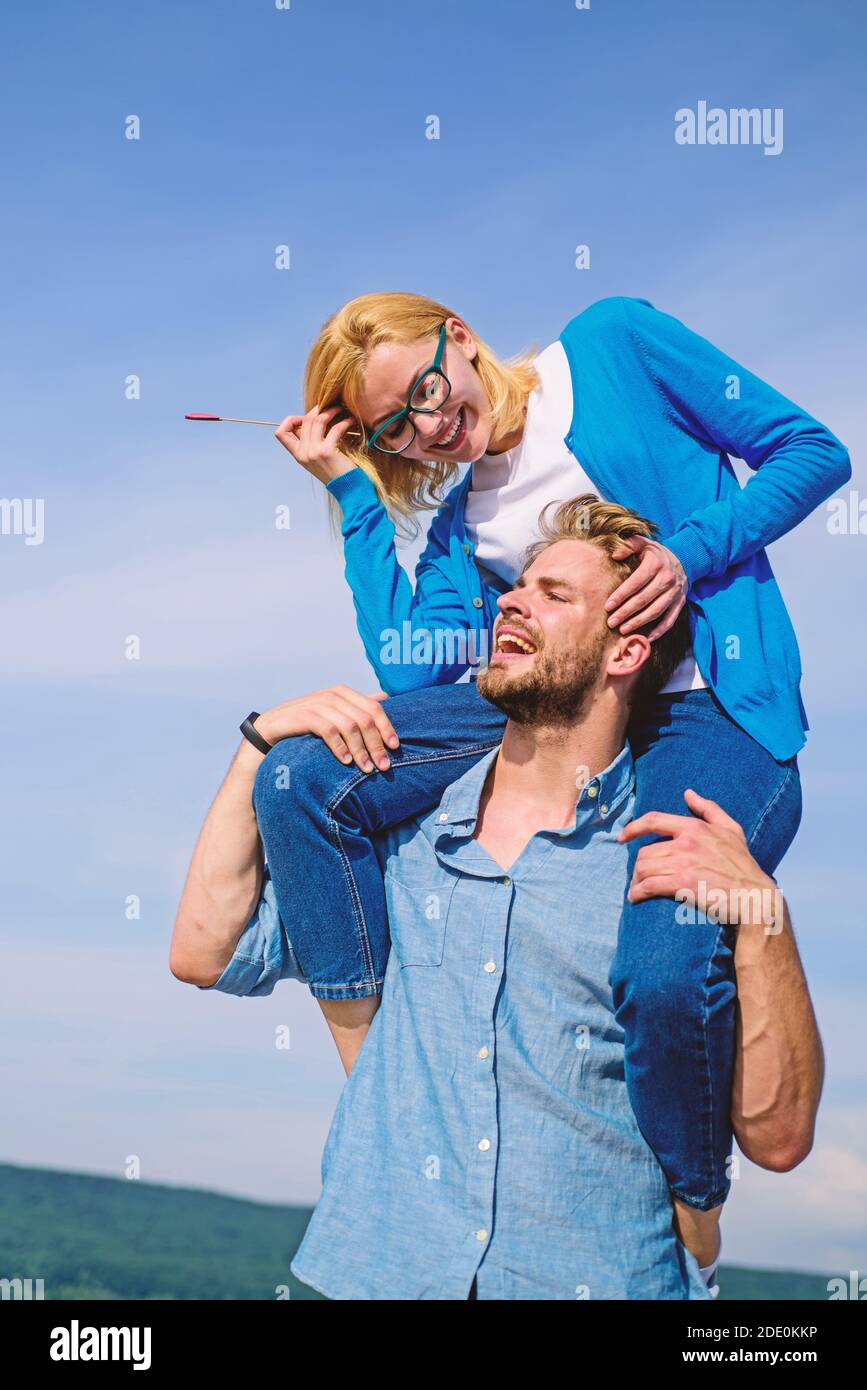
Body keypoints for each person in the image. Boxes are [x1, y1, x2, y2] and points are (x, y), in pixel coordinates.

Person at [246, 293, 847, 1248]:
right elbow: (417, 667)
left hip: (704, 709)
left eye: (428, 391)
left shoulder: (612, 347)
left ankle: (693, 1199)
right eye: (396, 429)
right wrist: (355, 490)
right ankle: (381, 1076)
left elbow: (813, 453)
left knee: (660, 960)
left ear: (458, 333)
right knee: (303, 778)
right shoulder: (449, 511)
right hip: (558, 718)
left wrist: (686, 555)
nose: (431, 429)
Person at [170, 497, 824, 1300]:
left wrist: (765, 922)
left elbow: (779, 1136)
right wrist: (256, 752)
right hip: (376, 1276)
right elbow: (205, 952)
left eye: (554, 595)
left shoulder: (679, 867)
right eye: (519, 587)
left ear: (626, 651)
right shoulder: (396, 837)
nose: (511, 600)